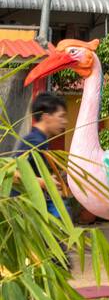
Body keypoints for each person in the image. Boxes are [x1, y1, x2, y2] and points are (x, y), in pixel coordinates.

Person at [16, 91, 69, 220]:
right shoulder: (34, 141)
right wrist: (43, 182)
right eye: (61, 116)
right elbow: (12, 173)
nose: (65, 122)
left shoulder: (41, 140)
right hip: (25, 211)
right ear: (46, 117)